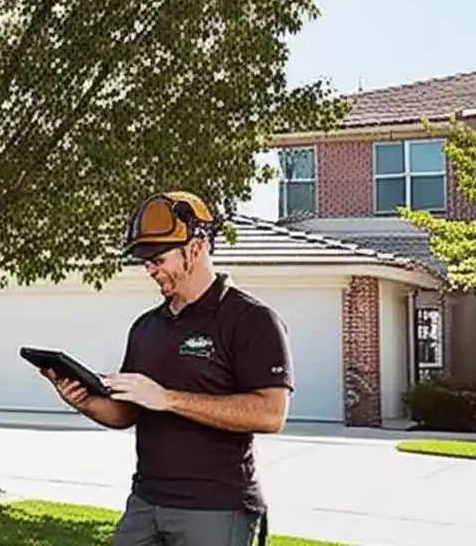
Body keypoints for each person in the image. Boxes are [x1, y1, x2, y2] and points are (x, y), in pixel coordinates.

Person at [41, 191, 293, 546]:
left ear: (196, 248)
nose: (150, 270)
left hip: (215, 509)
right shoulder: (146, 327)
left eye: (157, 259)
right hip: (145, 502)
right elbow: (127, 411)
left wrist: (168, 399)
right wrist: (84, 401)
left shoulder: (251, 320)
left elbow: (271, 413)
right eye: (145, 261)